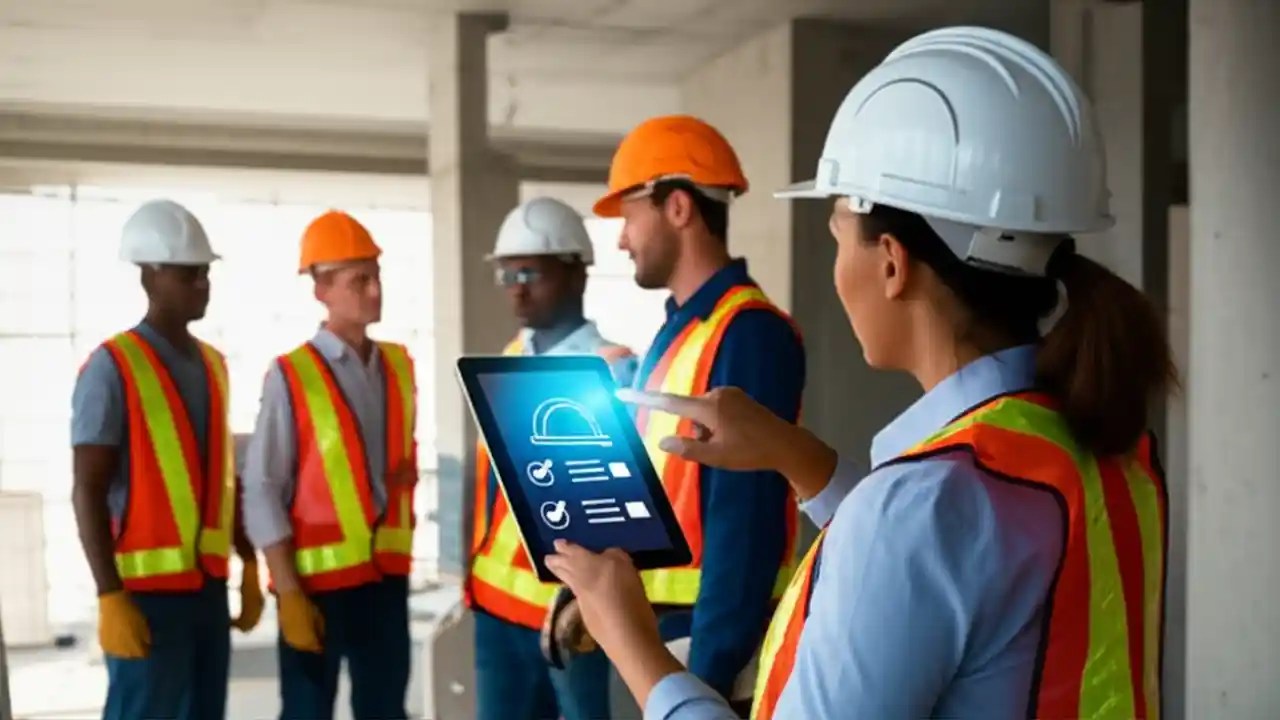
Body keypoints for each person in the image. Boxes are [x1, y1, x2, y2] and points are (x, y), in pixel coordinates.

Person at [546, 26, 1174, 720]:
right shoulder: (1106, 450)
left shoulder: (922, 505)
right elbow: (956, 569)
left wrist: (631, 643)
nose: (836, 266)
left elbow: (923, 546)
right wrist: (799, 457)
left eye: (838, 237)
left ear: (892, 263)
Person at [591, 114, 807, 712]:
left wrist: (703, 686)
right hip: (663, 639)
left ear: (679, 209)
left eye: (630, 215)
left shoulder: (749, 333)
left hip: (707, 651)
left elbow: (746, 527)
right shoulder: (681, 332)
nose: (622, 237)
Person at [71, 199, 263, 720]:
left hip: (205, 590)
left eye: (205, 273)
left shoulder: (214, 365)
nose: (202, 284)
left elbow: (220, 479)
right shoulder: (111, 368)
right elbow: (87, 488)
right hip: (144, 597)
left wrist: (247, 559)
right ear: (150, 274)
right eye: (188, 274)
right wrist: (110, 595)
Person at [464, 196, 637, 720]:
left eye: (531, 272)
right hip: (494, 607)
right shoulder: (508, 362)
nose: (517, 286)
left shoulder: (612, 368)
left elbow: (615, 503)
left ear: (576, 273)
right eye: (507, 274)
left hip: (568, 609)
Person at [241, 210, 418, 720]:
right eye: (358, 280)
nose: (374, 290)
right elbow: (263, 487)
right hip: (316, 588)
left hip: (385, 580)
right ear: (321, 289)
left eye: (376, 276)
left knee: (385, 711)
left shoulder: (399, 366)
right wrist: (289, 591)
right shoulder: (291, 375)